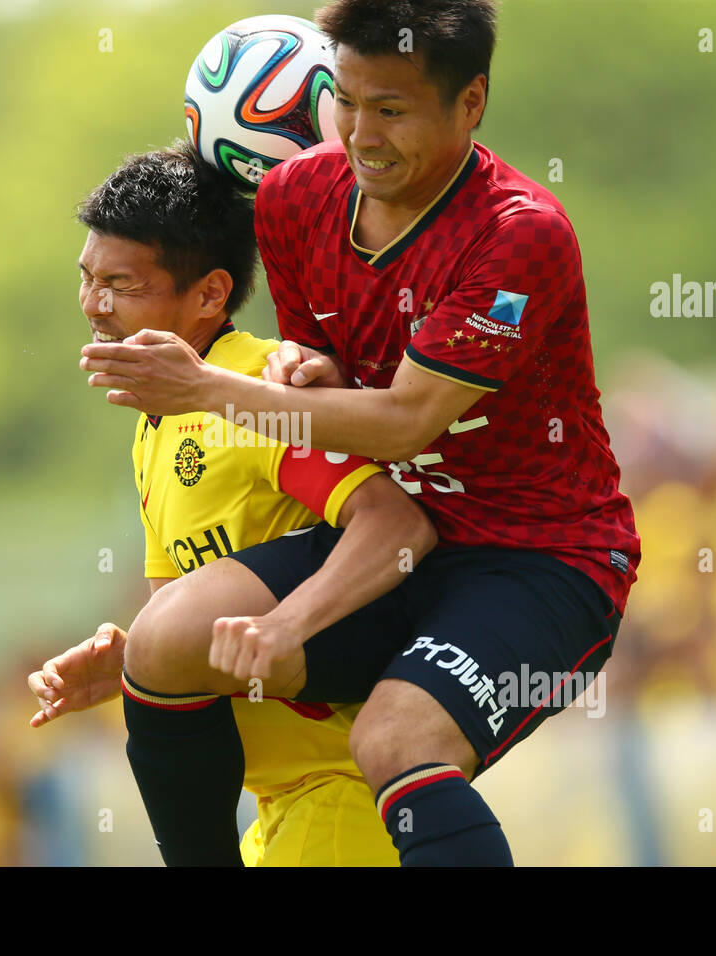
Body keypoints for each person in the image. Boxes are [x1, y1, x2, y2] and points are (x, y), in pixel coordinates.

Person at [79, 0, 640, 866]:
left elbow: (406, 419)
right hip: (395, 536)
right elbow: (334, 375)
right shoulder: (297, 194)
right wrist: (312, 371)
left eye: (392, 109)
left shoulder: (518, 236)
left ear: (471, 102)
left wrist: (207, 389)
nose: (360, 133)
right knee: (163, 642)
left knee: (395, 737)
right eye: (344, 101)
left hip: (537, 557)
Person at [28, 144, 435, 865]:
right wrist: (137, 665)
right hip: (278, 811)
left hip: (343, 800)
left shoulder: (259, 388)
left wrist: (286, 626)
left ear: (211, 294)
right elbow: (195, 617)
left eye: (122, 283)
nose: (94, 304)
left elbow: (395, 524)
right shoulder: (154, 426)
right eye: (87, 278)